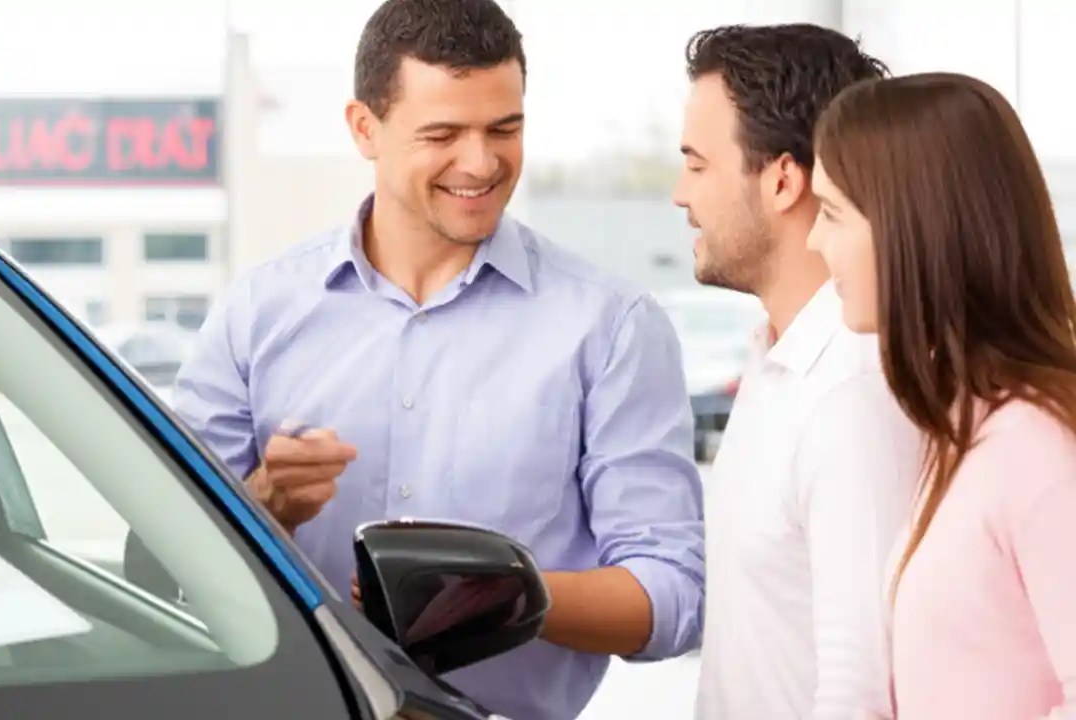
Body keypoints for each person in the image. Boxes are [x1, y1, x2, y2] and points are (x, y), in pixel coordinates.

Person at [173, 1, 705, 717]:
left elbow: (672, 595)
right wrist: (264, 503)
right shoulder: (256, 315)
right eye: (443, 134)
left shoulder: (611, 328)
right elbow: (166, 569)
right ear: (365, 128)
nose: (481, 162)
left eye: (504, 129)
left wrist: (495, 596)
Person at [672, 24, 924, 719]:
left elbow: (862, 693)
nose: (678, 194)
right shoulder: (778, 362)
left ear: (782, 179)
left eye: (696, 165)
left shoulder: (853, 393)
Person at [810, 71, 1076, 720]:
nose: (815, 241)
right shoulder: (965, 435)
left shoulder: (1039, 448)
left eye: (833, 213)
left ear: (914, 229)